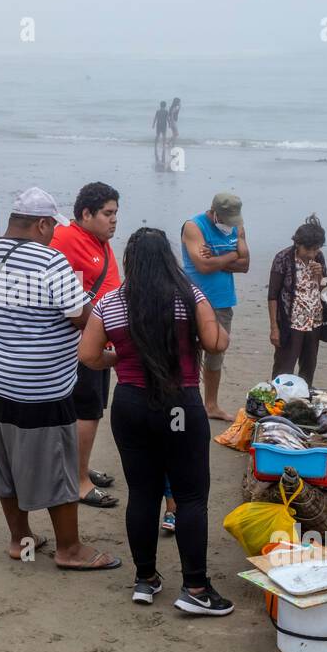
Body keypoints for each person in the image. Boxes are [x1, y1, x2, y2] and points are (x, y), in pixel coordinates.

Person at [80, 227, 233, 614]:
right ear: (168, 260)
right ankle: (196, 589)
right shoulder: (189, 297)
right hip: (179, 405)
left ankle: (145, 579)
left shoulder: (110, 303)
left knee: (143, 493)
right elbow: (217, 343)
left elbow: (89, 356)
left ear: (129, 262)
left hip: (130, 405)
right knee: (191, 496)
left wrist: (118, 359)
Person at [0, 188, 121, 571]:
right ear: (42, 223)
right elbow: (80, 317)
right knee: (58, 464)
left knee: (5, 461)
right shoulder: (51, 260)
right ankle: (70, 549)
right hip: (39, 384)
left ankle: (21, 541)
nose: (54, 234)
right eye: (53, 226)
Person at [50, 182, 122, 509]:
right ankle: (78, 481)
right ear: (85, 214)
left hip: (96, 337)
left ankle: (80, 466)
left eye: (116, 214)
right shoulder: (67, 239)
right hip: (81, 342)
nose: (114, 220)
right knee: (86, 411)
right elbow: (60, 289)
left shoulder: (97, 240)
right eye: (108, 214)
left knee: (87, 411)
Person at [180, 192, 250, 421]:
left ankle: (211, 405)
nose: (231, 223)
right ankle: (188, 403)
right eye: (226, 218)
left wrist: (219, 256)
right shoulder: (194, 226)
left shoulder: (236, 224)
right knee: (189, 353)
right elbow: (202, 266)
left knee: (216, 353)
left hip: (222, 301)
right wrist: (231, 255)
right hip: (194, 300)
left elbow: (245, 264)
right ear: (215, 212)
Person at [267, 214, 327, 384]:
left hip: (314, 321)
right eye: (308, 249)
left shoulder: (319, 258)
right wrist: (274, 328)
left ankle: (303, 402)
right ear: (298, 244)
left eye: (315, 249)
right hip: (290, 323)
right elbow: (272, 296)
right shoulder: (283, 258)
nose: (311, 254)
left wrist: (320, 275)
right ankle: (278, 404)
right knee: (283, 369)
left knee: (308, 368)